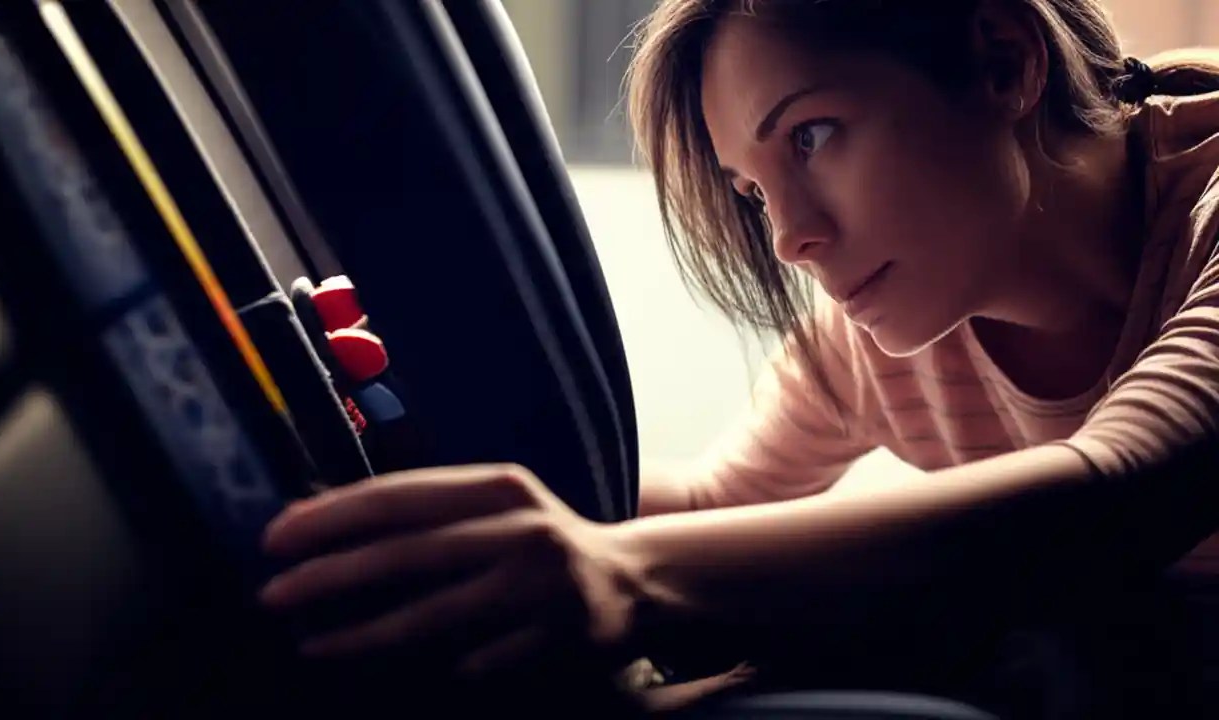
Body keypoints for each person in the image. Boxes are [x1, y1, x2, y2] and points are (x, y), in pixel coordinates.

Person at [256, 0, 1219, 716]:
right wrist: (414, 449)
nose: (792, 238)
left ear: (1002, 61)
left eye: (813, 135)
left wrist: (623, 575)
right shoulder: (878, 337)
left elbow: (1122, 490)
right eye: (754, 192)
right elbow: (714, 508)